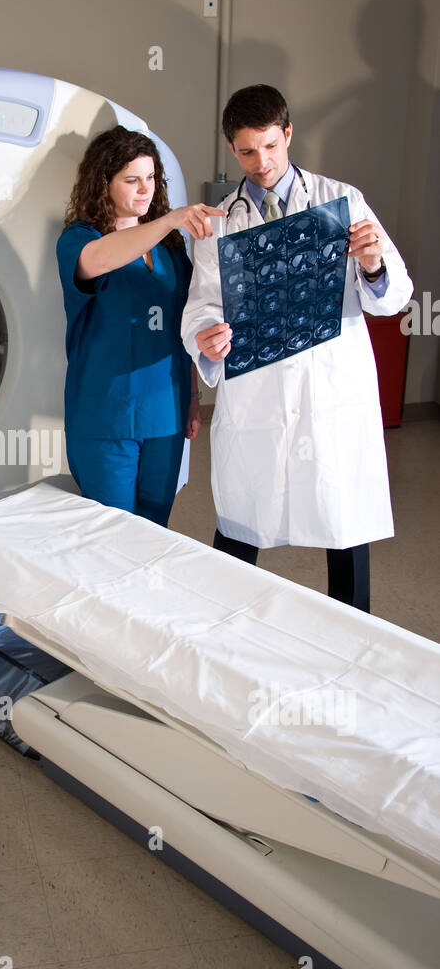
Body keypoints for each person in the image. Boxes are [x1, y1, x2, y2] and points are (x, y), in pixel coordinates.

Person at [181, 84, 414, 611]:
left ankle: (354, 636)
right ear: (230, 148)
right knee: (241, 524)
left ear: (287, 134)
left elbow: (394, 295)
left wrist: (373, 264)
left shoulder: (342, 200)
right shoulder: (221, 221)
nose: (260, 162)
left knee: (343, 522)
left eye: (269, 145)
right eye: (245, 151)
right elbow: (202, 303)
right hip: (257, 392)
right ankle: (225, 634)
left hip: (329, 390)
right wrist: (206, 336)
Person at [56, 126, 225, 526]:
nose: (145, 189)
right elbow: (98, 260)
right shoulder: (81, 239)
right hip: (105, 414)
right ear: (104, 183)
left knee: (155, 531)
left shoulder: (170, 251)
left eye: (151, 178)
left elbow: (183, 324)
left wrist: (192, 395)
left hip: (166, 409)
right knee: (112, 535)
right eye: (131, 180)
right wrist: (170, 220)